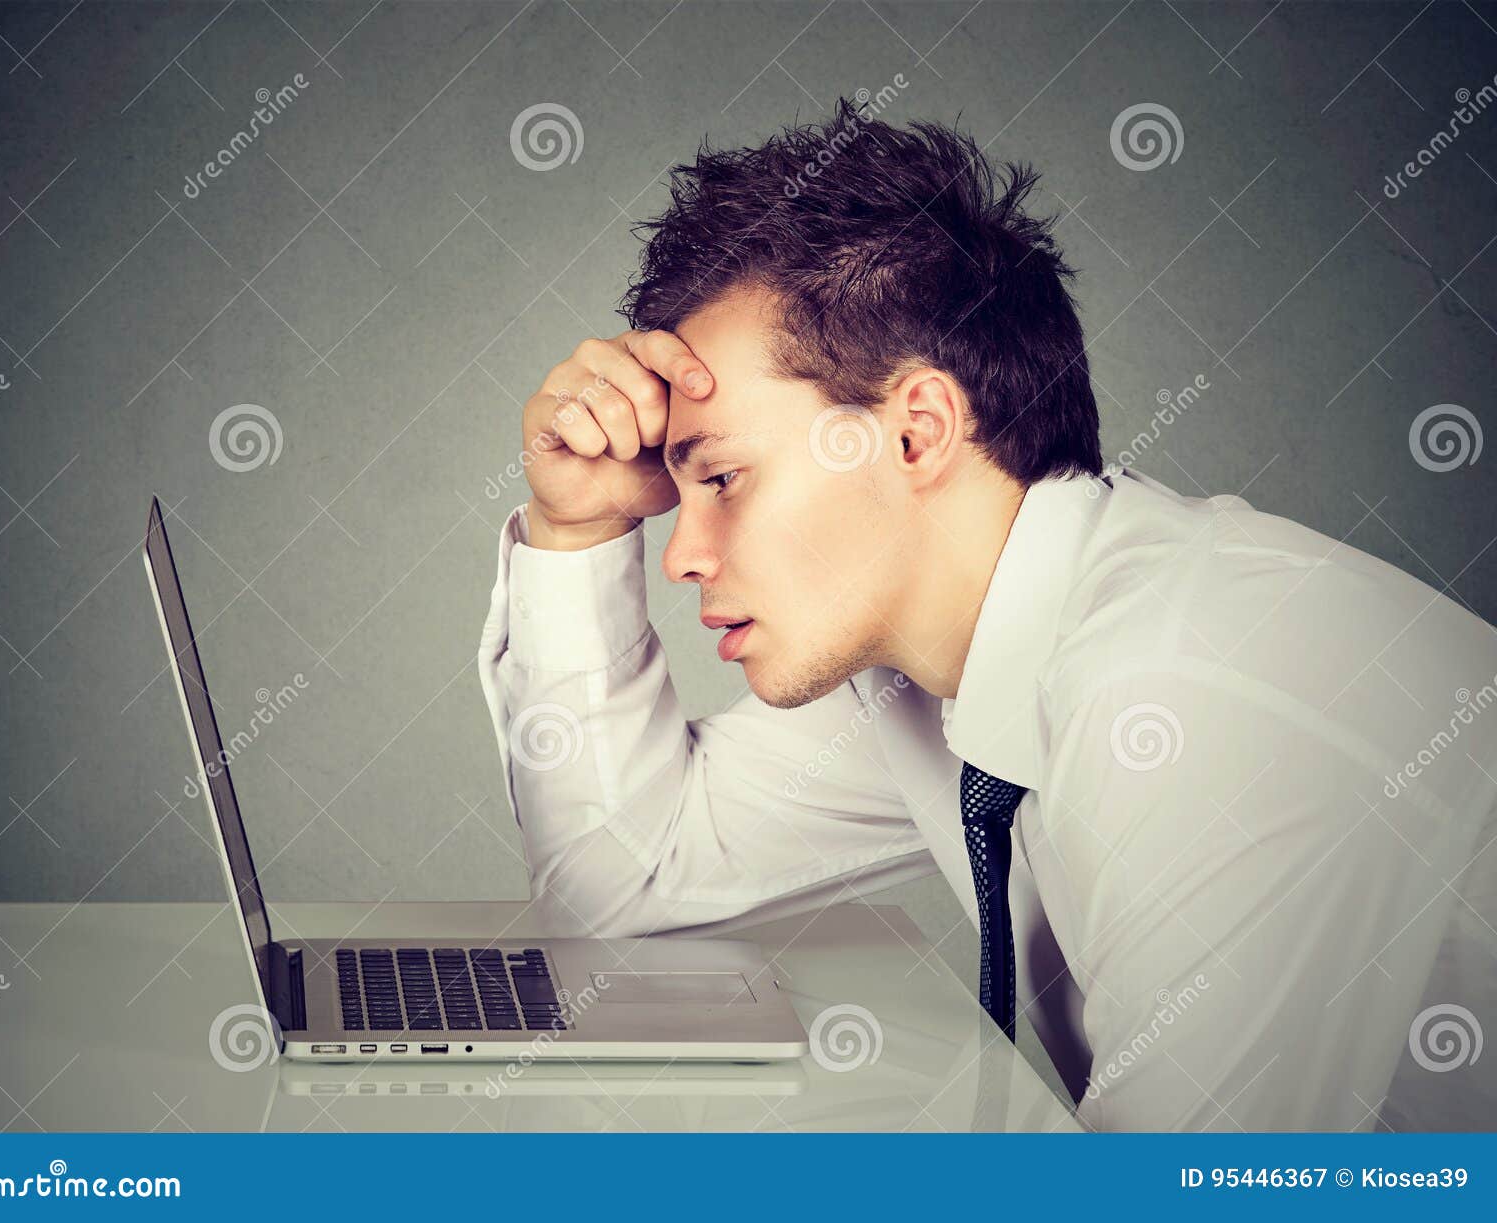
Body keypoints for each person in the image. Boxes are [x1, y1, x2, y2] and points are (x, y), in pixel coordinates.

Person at [476, 97, 1497, 1131]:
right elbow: (626, 883)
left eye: (725, 477)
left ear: (917, 432)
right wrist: (581, 528)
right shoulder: (947, 661)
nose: (683, 555)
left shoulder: (1192, 696)